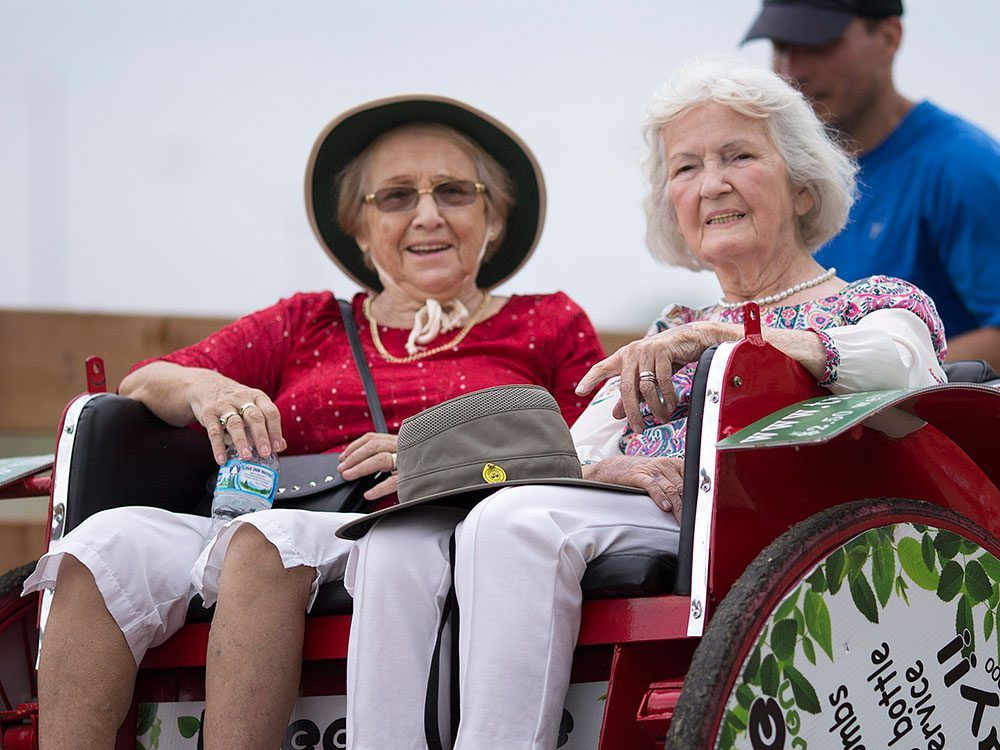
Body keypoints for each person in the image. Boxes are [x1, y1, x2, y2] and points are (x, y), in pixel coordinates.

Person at [341, 59, 947, 750]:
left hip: (763, 528)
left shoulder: (875, 303)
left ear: (803, 189)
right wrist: (557, 467)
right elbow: (578, 451)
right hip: (647, 513)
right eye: (685, 169)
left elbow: (902, 368)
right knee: (407, 536)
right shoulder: (670, 330)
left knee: (516, 522)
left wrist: (735, 336)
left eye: (738, 156)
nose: (710, 183)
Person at [21, 95, 605, 750]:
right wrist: (208, 388)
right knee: (103, 544)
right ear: (359, 228)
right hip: (271, 507)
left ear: (493, 217)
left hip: (421, 526)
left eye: (454, 192)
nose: (428, 215)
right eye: (395, 198)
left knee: (268, 542)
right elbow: (145, 380)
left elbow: (583, 453)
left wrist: (444, 452)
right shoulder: (309, 320)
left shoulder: (548, 322)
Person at [743, 0, 1000, 370]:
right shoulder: (785, 181)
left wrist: (851, 379)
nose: (792, 70)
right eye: (781, 47)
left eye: (818, 45)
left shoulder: (963, 167)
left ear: (888, 38)